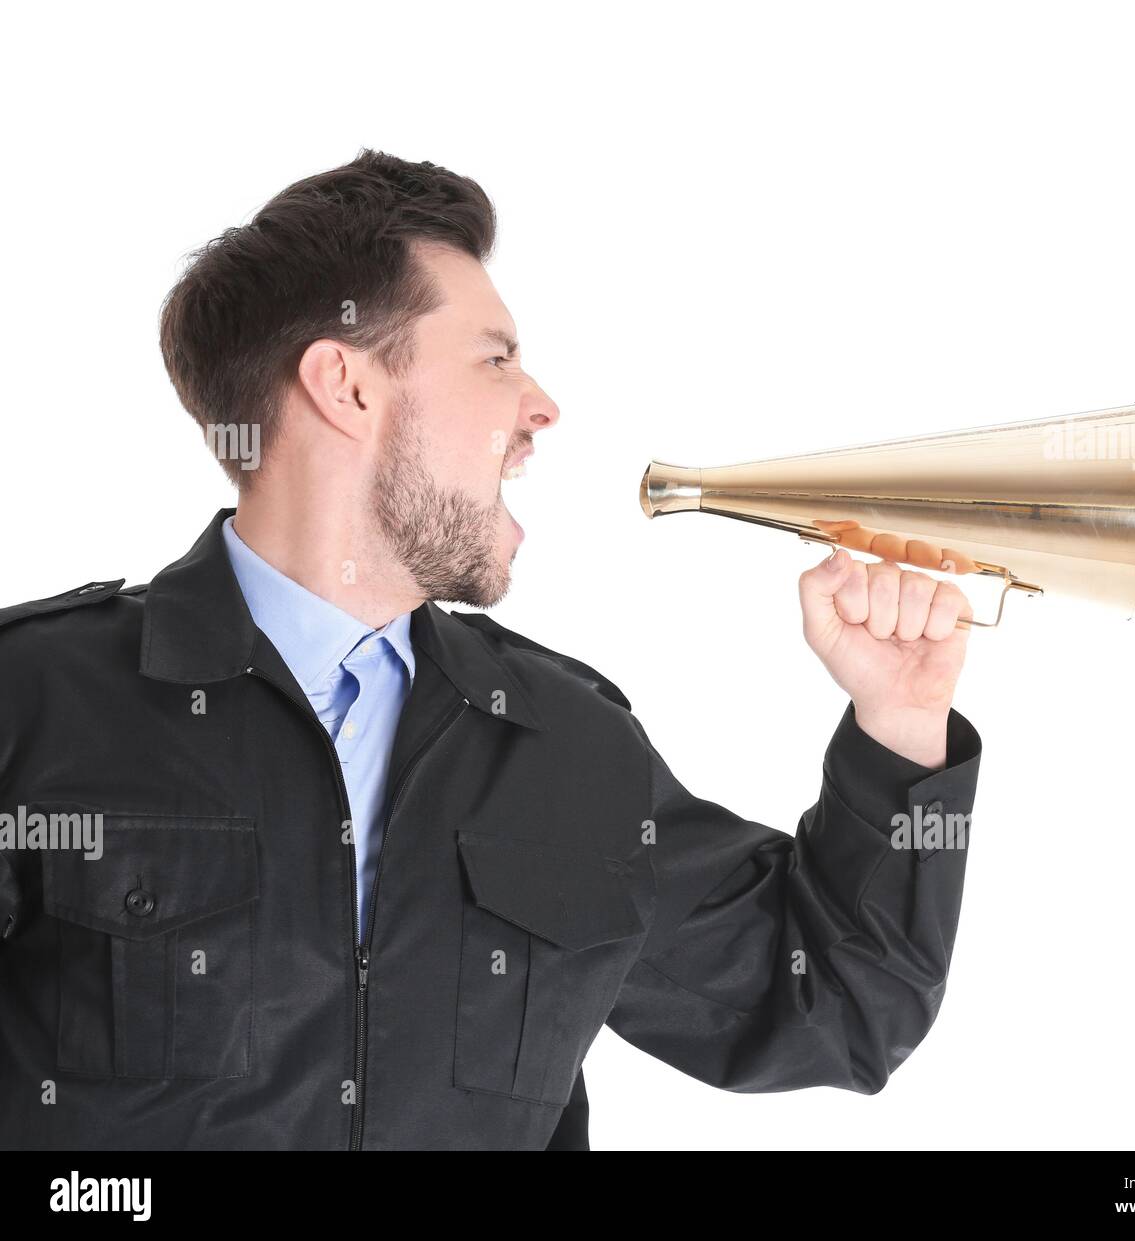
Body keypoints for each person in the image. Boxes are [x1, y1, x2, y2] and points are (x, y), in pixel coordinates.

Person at [0, 149, 981, 1151]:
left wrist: (899, 722)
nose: (541, 405)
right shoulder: (30, 702)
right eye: (494, 358)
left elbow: (843, 1008)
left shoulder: (569, 746)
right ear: (345, 386)